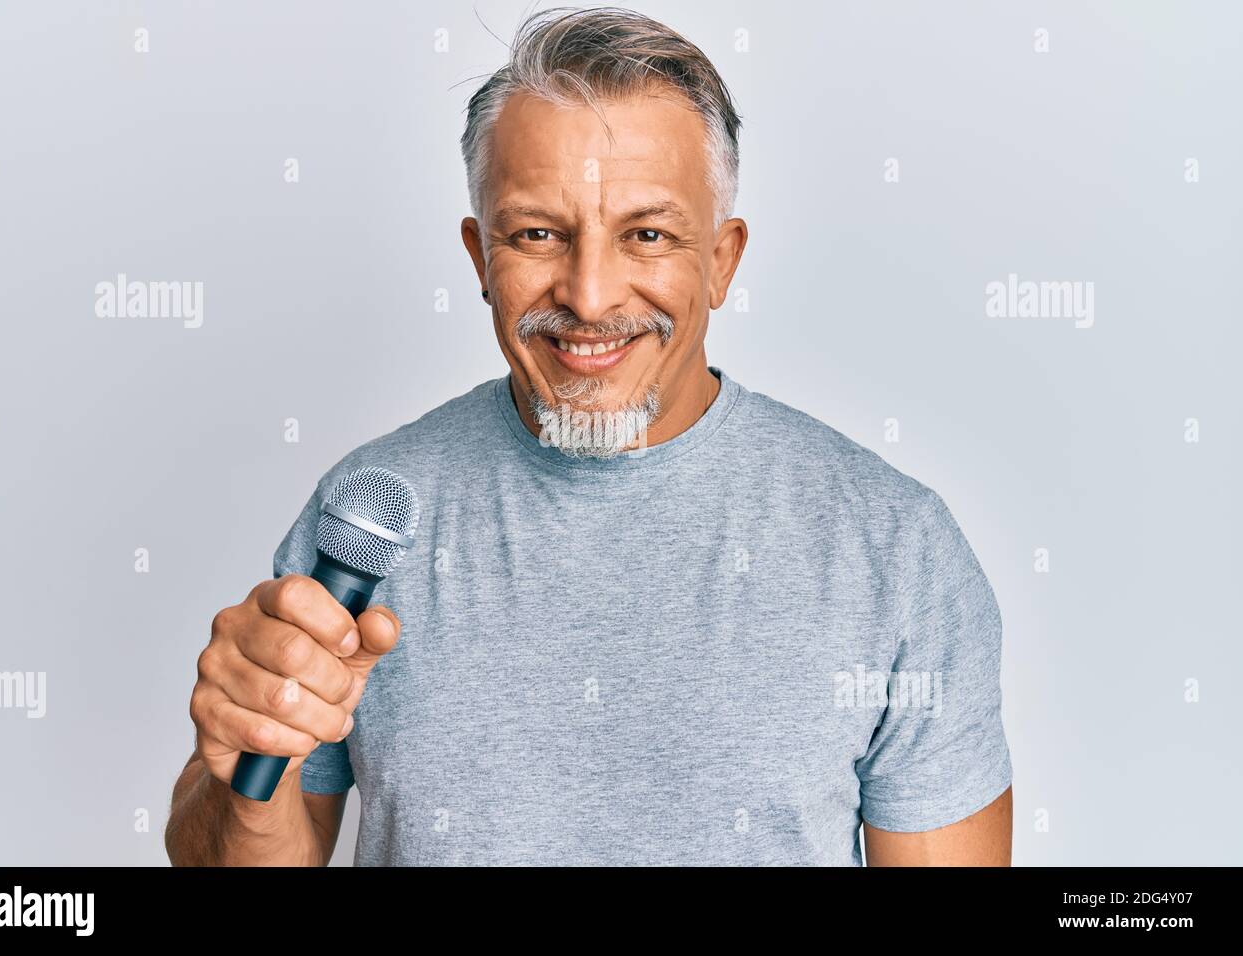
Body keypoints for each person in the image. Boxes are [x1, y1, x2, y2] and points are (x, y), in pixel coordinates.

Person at [166, 6, 1012, 866]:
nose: (592, 294)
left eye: (646, 234)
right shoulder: (370, 518)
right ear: (479, 259)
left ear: (721, 261)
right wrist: (239, 780)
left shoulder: (895, 548)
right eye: (538, 234)